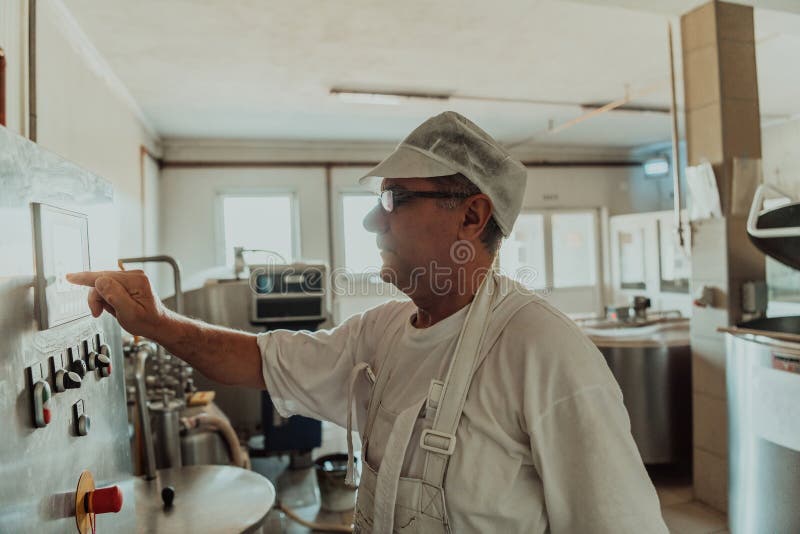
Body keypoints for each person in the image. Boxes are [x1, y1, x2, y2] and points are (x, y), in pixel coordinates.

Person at [68, 111, 668, 533]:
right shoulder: (382, 331)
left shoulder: (544, 352)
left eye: (393, 200)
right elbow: (258, 360)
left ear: (471, 215)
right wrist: (157, 322)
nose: (370, 224)